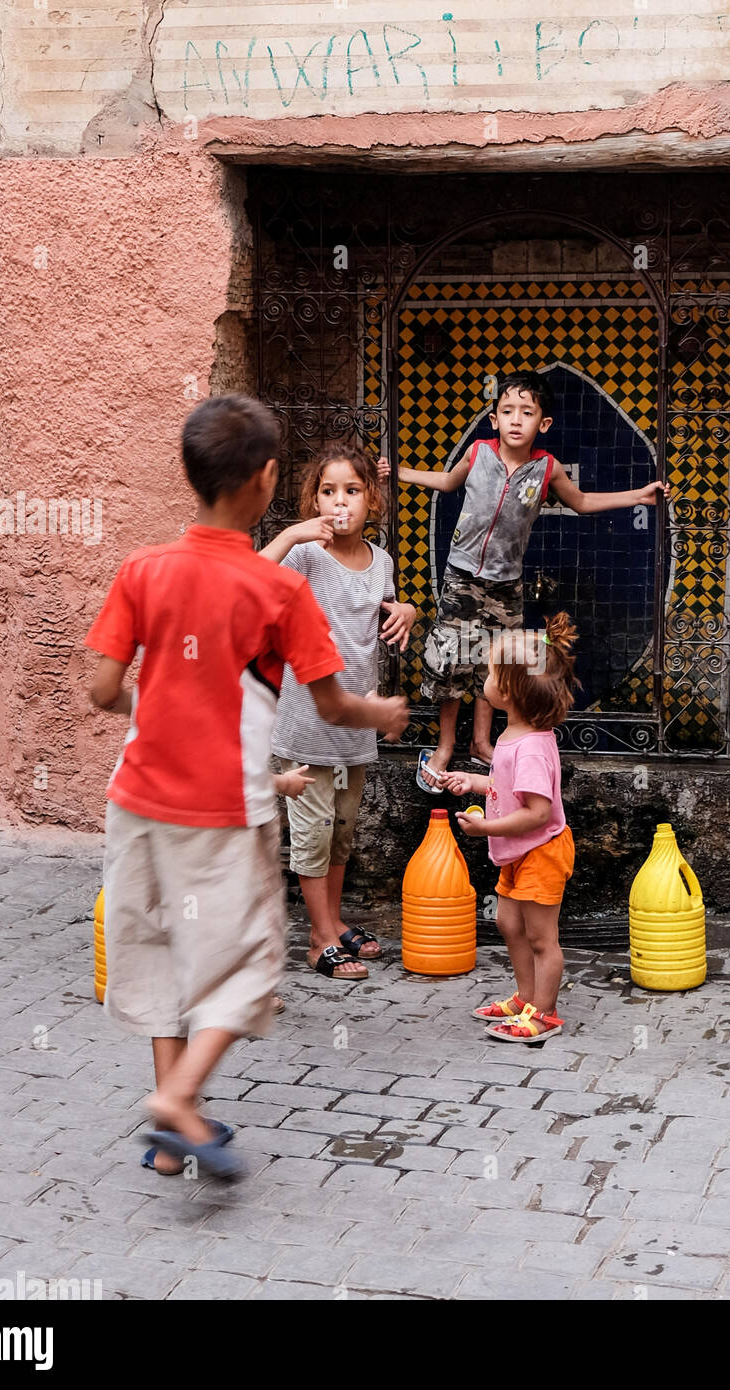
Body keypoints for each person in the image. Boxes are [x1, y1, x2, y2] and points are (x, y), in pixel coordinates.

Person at [86, 394, 408, 1180]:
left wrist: (160, 707)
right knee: (248, 963)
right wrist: (384, 711)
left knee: (163, 958)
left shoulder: (142, 569)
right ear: (268, 483)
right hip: (223, 807)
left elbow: (101, 690)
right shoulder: (279, 591)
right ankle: (178, 1101)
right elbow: (332, 703)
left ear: (191, 476)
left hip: (134, 801)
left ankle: (172, 1137)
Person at [397, 370, 667, 791]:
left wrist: (637, 496)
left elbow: (581, 502)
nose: (516, 419)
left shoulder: (547, 468)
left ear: (543, 424)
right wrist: (400, 472)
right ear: (494, 419)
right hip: (462, 576)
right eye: (507, 411)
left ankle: (482, 742)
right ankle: (446, 746)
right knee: (452, 658)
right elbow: (447, 483)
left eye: (526, 412)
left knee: (496, 662)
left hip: (507, 584)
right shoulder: (478, 452)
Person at [261, 445, 417, 982]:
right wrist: (292, 535)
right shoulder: (304, 557)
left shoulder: (382, 562)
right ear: (314, 501)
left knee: (341, 831)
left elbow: (384, 610)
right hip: (306, 722)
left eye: (351, 490)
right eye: (328, 491)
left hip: (356, 722)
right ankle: (319, 938)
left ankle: (334, 922)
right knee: (312, 832)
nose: (339, 502)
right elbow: (246, 580)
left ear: (371, 499)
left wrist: (408, 610)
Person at [439, 613, 579, 1042]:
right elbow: (508, 788)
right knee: (508, 924)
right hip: (519, 849)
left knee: (541, 938)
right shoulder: (514, 735)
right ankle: (525, 996)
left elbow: (538, 812)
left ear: (509, 690)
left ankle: (544, 1014)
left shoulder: (533, 748)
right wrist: (475, 783)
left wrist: (487, 829)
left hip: (540, 850)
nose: (486, 676)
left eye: (492, 671)